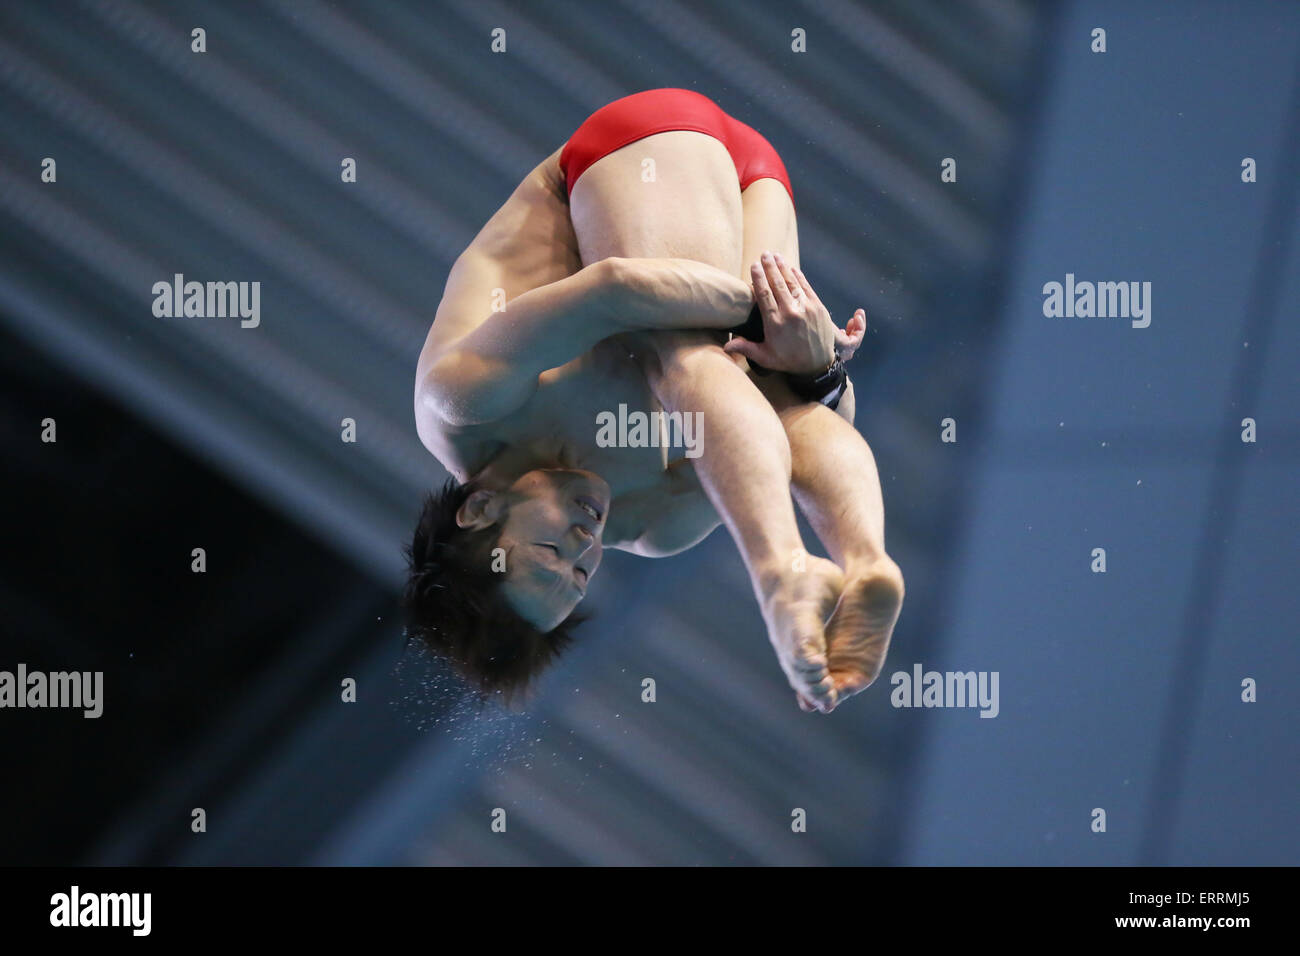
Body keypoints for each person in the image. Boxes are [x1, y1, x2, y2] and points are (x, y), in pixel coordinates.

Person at [409, 89, 903, 713]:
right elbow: (804, 428)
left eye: (552, 550)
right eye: (582, 574)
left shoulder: (462, 402)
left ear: (479, 509)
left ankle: (779, 567)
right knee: (770, 393)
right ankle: (865, 559)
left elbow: (616, 288)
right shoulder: (651, 522)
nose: (587, 541)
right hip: (758, 185)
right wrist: (818, 367)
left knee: (678, 354)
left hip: (639, 145)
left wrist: (772, 321)